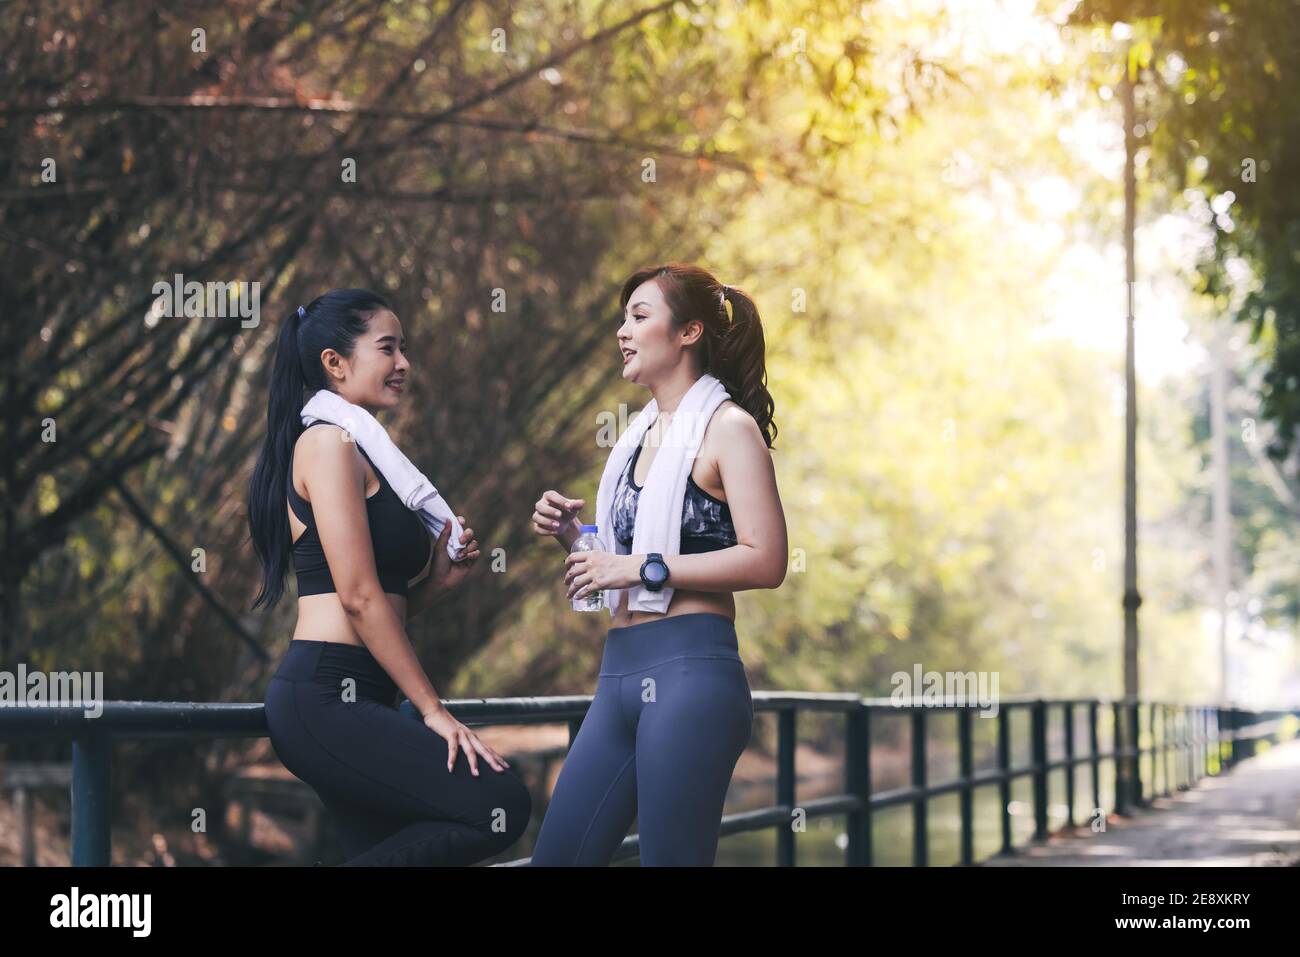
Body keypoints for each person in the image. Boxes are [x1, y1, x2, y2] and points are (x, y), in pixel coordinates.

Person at [247, 288, 531, 866]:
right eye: (388, 348)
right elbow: (353, 597)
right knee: (499, 803)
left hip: (364, 693)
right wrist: (433, 710)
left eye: (404, 349)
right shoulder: (327, 445)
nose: (404, 364)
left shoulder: (370, 453)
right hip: (323, 696)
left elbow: (379, 604)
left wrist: (437, 584)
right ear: (335, 362)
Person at [528, 264, 788, 865]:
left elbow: (767, 559)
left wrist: (640, 568)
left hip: (691, 678)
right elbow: (622, 565)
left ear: (689, 332)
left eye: (639, 317)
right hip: (617, 675)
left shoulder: (729, 429)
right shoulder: (635, 437)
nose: (622, 331)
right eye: (624, 318)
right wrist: (575, 538)